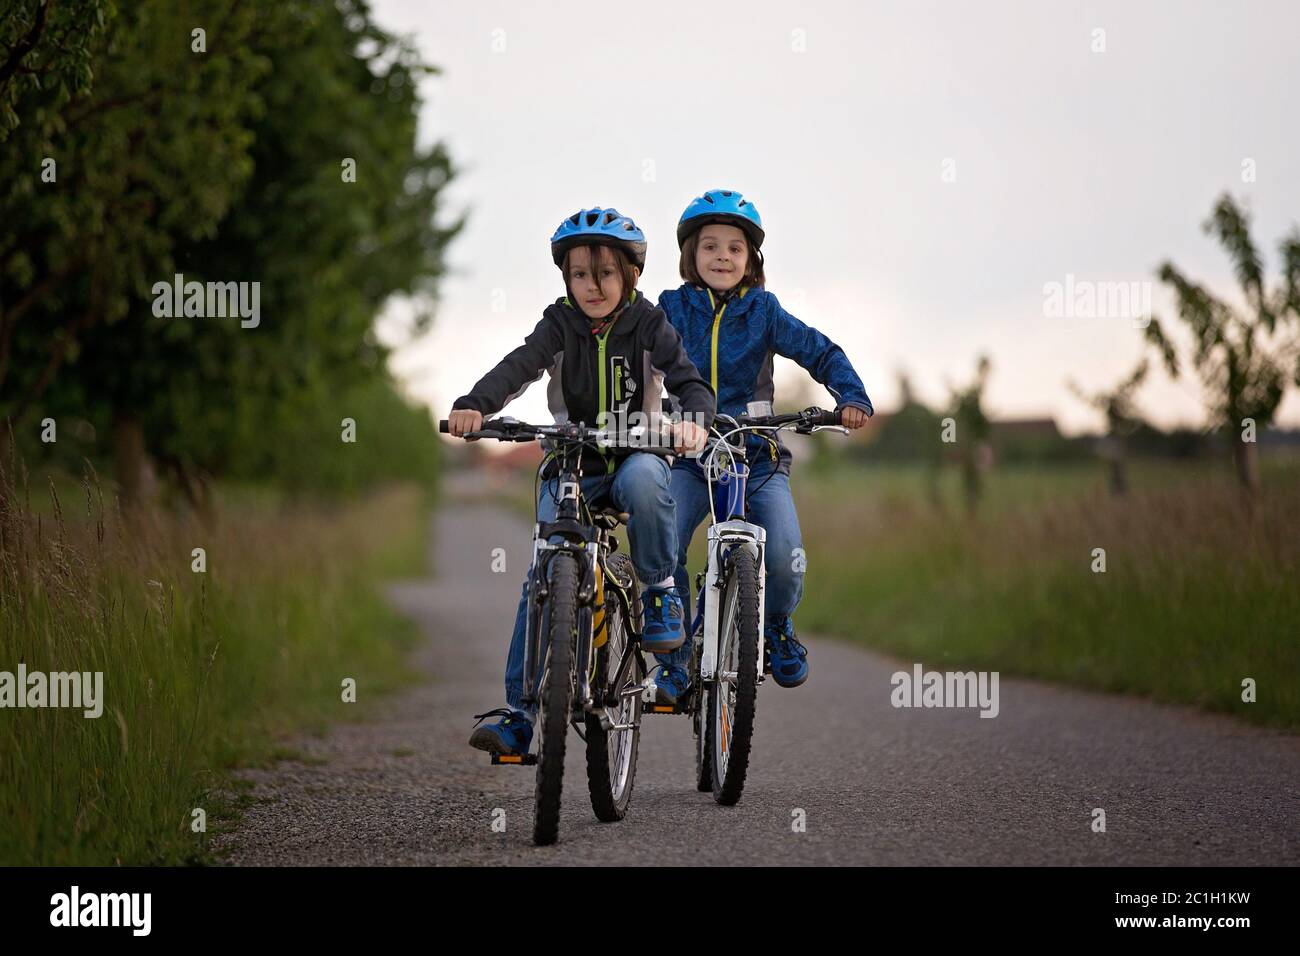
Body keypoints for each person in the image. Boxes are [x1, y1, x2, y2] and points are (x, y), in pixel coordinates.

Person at [448, 207, 714, 754]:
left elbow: (690, 382)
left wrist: (693, 419)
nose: (592, 287)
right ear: (565, 277)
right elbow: (517, 367)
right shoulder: (559, 323)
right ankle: (520, 716)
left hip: (635, 455)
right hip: (571, 463)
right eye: (578, 275)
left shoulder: (649, 323)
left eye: (604, 274)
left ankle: (660, 591)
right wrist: (474, 405)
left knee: (647, 486)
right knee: (543, 566)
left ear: (630, 275)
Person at [652, 189, 873, 699]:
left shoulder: (764, 311)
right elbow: (635, 361)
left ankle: (774, 627)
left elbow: (820, 351)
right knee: (663, 549)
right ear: (691, 254)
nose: (722, 256)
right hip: (688, 460)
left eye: (735, 247)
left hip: (757, 461)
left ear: (751, 258)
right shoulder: (668, 310)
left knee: (788, 555)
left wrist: (851, 396)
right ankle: (677, 657)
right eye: (710, 246)